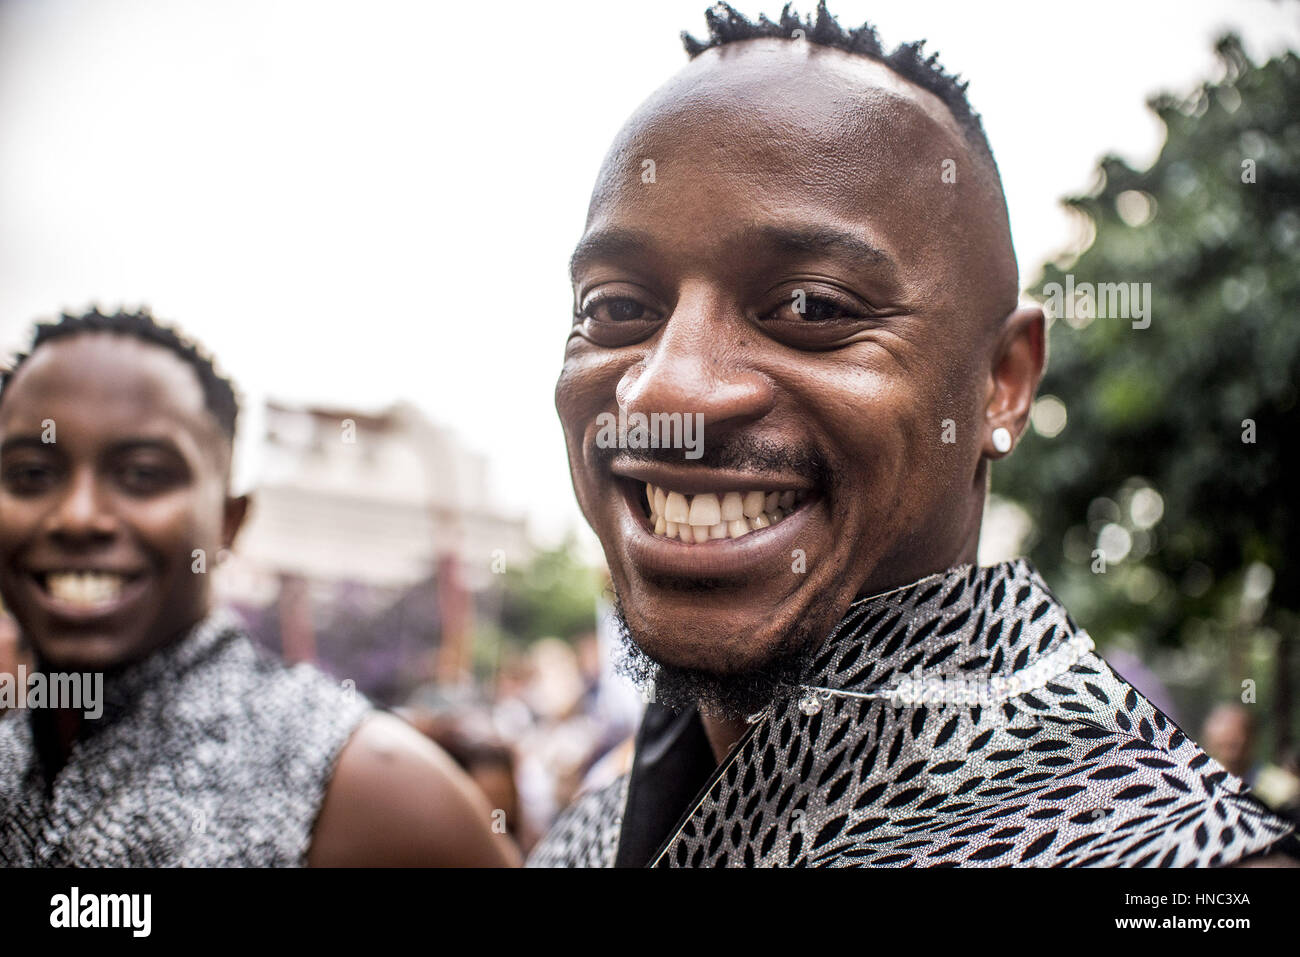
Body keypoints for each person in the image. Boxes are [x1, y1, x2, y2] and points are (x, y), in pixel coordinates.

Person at [530, 2, 1296, 867]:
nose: (664, 387)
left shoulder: (1170, 866)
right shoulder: (581, 846)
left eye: (812, 306)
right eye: (617, 309)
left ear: (1002, 383)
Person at [0, 307, 519, 867]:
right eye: (32, 474)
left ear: (228, 522)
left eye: (142, 475)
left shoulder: (370, 786)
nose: (78, 517)